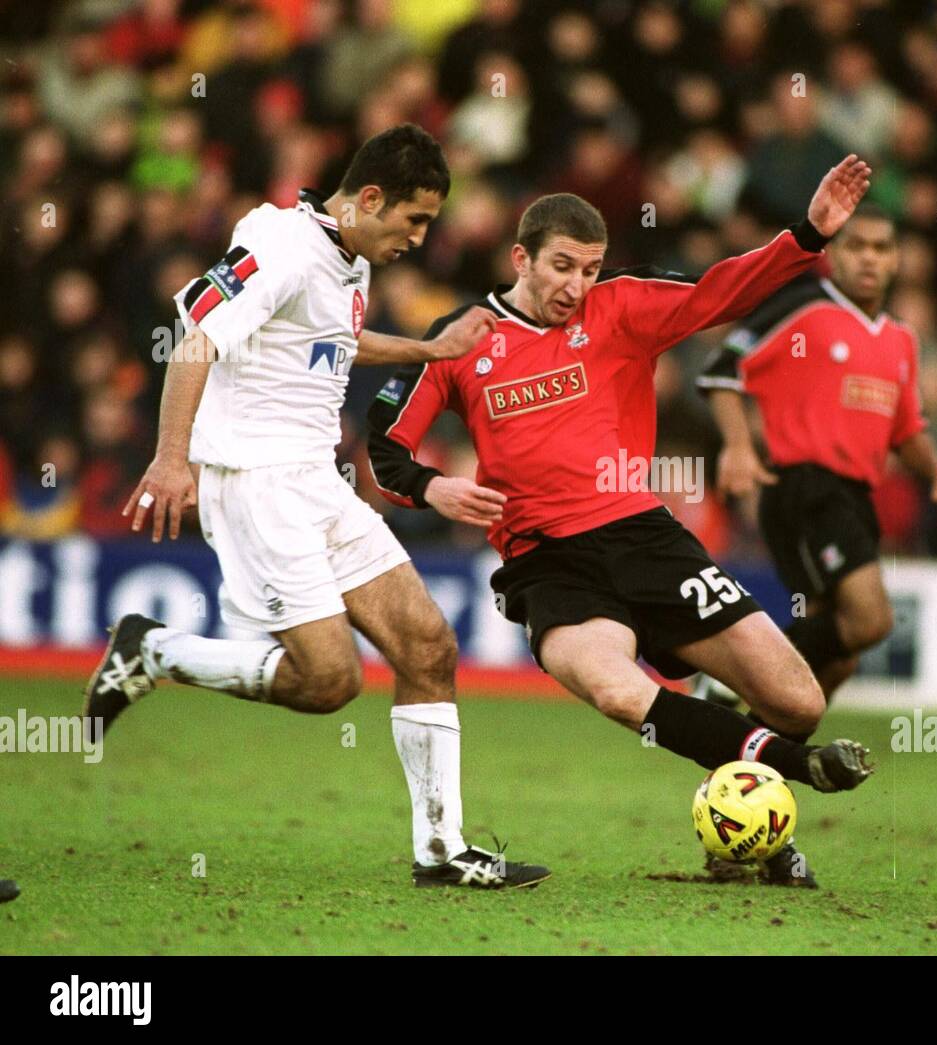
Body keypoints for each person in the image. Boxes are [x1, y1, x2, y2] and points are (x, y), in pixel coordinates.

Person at [369, 156, 875, 887]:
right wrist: (432, 488)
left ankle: (738, 802)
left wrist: (808, 234)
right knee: (615, 689)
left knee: (799, 698)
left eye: (591, 269)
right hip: (549, 563)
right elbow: (385, 439)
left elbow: (718, 292)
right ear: (522, 258)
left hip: (645, 538)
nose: (576, 287)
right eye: (562, 267)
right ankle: (785, 789)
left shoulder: (622, 306)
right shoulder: (464, 336)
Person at [84, 124, 548, 890]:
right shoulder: (282, 244)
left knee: (428, 646)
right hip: (258, 482)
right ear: (370, 197)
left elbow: (332, 339)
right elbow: (196, 335)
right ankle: (155, 651)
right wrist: (171, 458)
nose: (421, 237)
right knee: (329, 682)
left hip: (317, 481)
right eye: (415, 219)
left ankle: (443, 850)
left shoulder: (349, 257)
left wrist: (428, 352)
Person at [695, 203, 937, 704]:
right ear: (833, 256)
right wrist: (736, 446)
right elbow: (720, 368)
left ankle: (761, 752)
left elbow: (907, 429)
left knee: (837, 654)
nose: (869, 259)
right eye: (856, 246)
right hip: (804, 487)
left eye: (881, 248)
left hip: (857, 496)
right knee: (870, 620)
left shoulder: (900, 339)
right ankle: (728, 678)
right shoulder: (804, 308)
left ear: (896, 260)